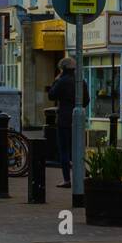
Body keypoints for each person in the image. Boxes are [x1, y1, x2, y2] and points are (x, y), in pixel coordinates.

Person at [46, 57, 87, 189]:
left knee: (64, 150)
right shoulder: (80, 81)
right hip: (78, 119)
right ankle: (82, 177)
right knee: (78, 149)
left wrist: (56, 81)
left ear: (62, 69)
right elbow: (86, 100)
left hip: (64, 118)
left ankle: (66, 179)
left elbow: (51, 95)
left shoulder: (62, 81)